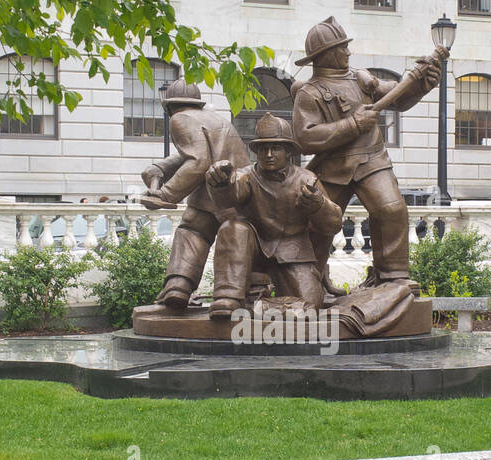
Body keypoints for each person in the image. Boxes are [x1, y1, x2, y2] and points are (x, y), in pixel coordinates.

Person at [291, 16, 441, 286]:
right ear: (325, 54)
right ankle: (310, 281)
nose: (348, 52)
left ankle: (392, 278)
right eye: (341, 48)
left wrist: (421, 85)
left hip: (372, 161)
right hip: (333, 167)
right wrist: (352, 124)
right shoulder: (309, 93)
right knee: (317, 220)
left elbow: (397, 96)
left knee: (392, 209)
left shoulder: (362, 81)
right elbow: (305, 138)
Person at [204, 113, 343, 319]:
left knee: (310, 305)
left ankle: (258, 306)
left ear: (288, 152)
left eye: (275, 148)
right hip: (253, 248)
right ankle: (228, 298)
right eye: (262, 149)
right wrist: (221, 183)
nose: (268, 154)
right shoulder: (246, 175)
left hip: (292, 251)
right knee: (233, 227)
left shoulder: (306, 178)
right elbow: (231, 194)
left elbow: (333, 224)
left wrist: (318, 204)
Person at [140, 79, 249, 309]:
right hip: (235, 191)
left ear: (169, 106)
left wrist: (166, 194)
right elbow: (199, 152)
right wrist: (161, 168)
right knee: (220, 234)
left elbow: (199, 160)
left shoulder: (180, 118)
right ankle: (225, 294)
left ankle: (179, 287)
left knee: (193, 232)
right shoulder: (216, 119)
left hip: (215, 190)